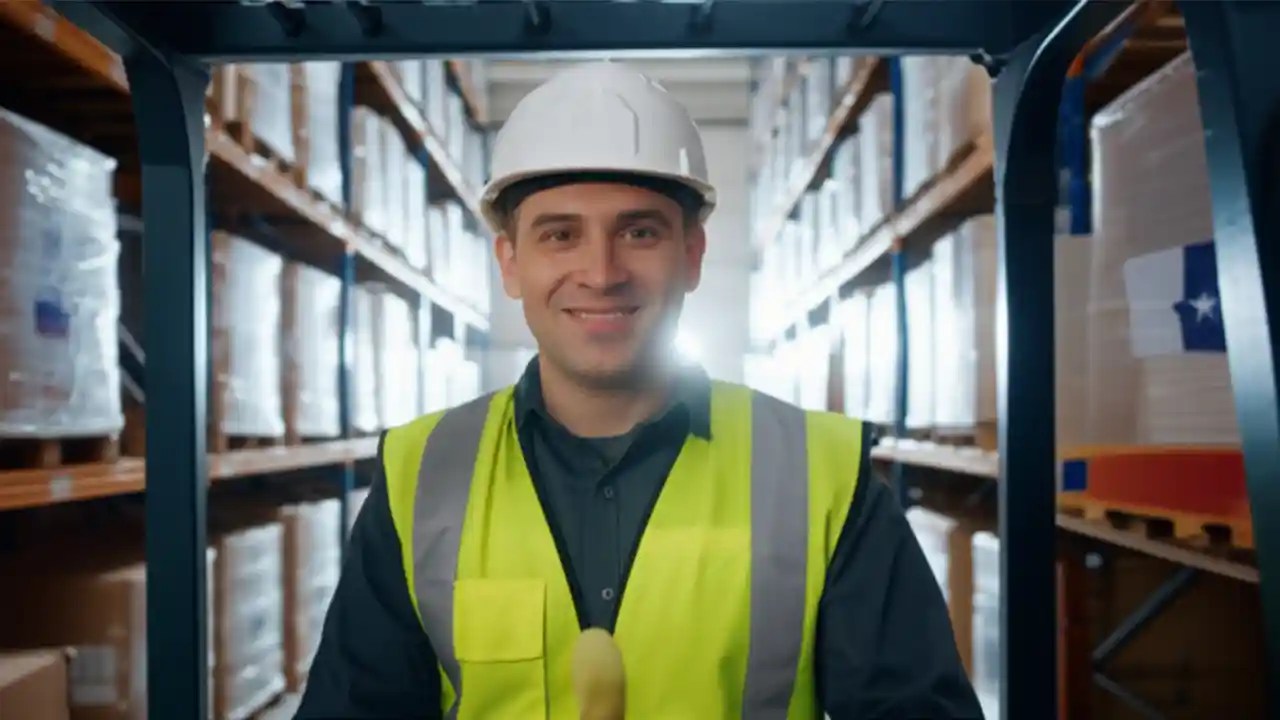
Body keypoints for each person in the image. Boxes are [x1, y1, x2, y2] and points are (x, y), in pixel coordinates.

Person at [296, 61, 982, 719]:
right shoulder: (422, 474)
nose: (601, 272)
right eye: (560, 235)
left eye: (639, 231)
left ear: (692, 255)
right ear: (511, 262)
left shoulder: (818, 474)